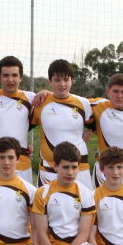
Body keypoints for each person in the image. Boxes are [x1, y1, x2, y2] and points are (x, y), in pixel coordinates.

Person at [31, 59, 93, 189]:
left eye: (66, 79)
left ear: (72, 80)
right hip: (49, 169)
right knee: (46, 202)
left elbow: (96, 125)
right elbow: (22, 126)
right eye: (57, 80)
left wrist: (86, 133)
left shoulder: (84, 103)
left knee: (84, 202)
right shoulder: (40, 103)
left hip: (79, 168)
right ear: (50, 81)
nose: (62, 84)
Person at [0, 55, 36, 185]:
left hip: (22, 165)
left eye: (14, 75)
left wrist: (45, 91)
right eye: (6, 75)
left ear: (20, 77)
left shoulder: (31, 98)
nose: (10, 80)